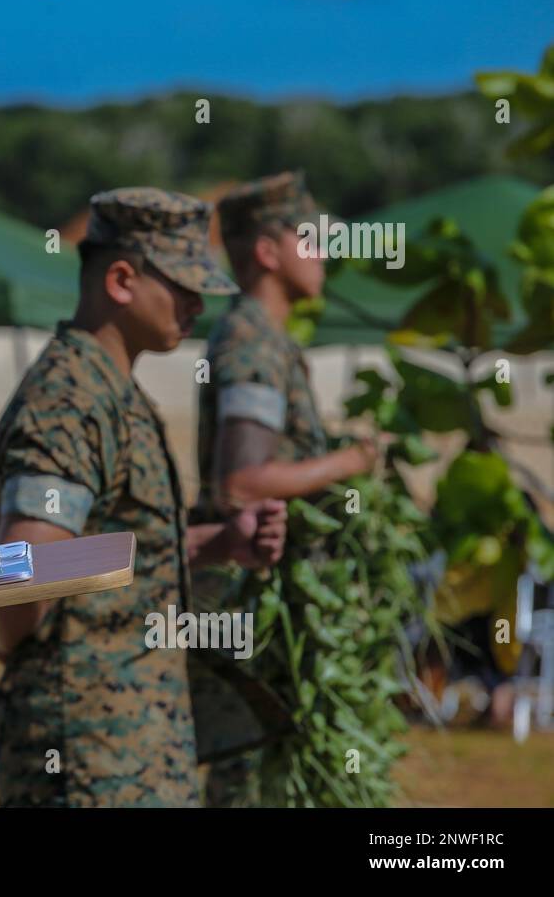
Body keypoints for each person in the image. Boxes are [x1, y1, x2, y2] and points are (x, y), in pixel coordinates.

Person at [0, 188, 287, 807]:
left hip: (134, 754)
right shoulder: (70, 398)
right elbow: (25, 570)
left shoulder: (111, 389)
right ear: (122, 279)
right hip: (89, 759)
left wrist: (217, 543)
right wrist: (20, 652)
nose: (199, 305)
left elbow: (114, 552)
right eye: (182, 287)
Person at [195, 171, 377, 805]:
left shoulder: (265, 338)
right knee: (249, 781)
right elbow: (242, 483)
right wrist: (351, 462)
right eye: (308, 237)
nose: (322, 252)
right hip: (256, 602)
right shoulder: (251, 341)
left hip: (269, 599)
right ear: (267, 253)